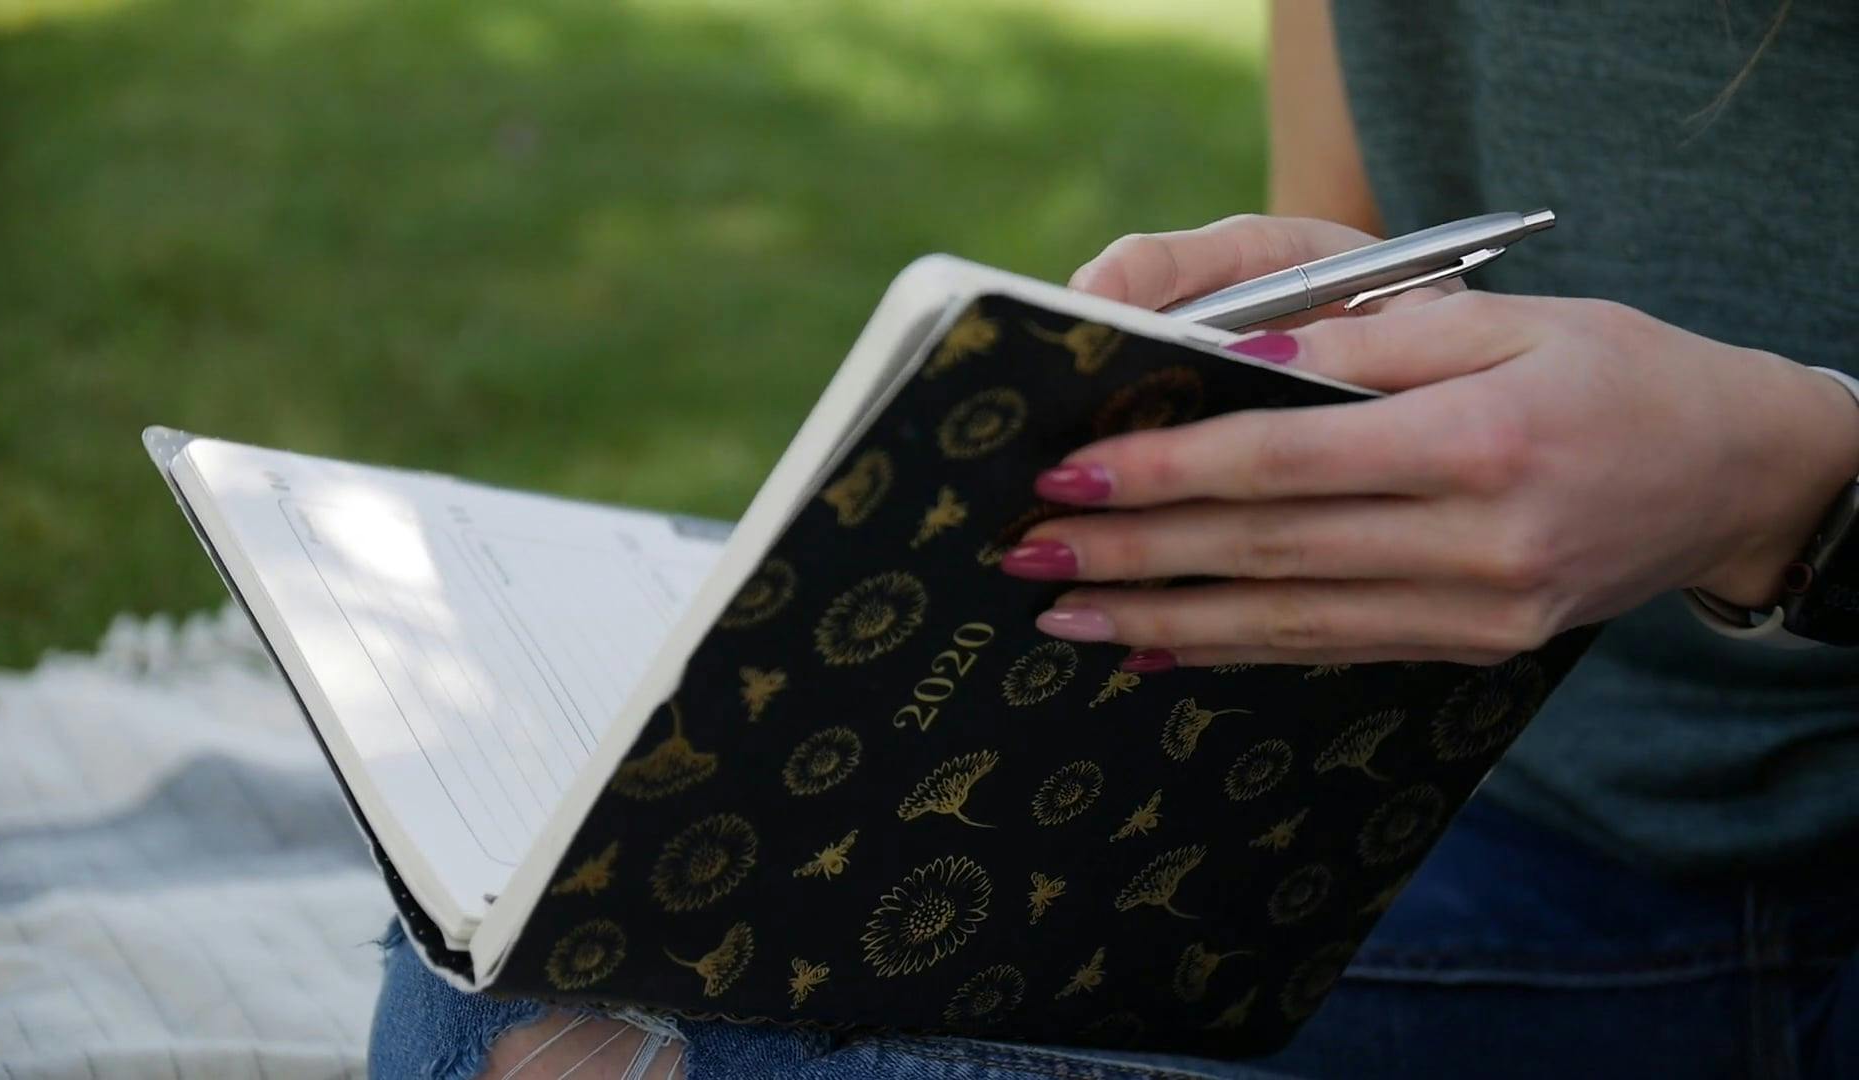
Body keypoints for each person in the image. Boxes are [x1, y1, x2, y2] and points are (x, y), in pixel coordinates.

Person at [370, 2, 1859, 1076]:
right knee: (529, 966)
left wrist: (1784, 484)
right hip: (1458, 801)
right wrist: (1319, 354)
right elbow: (1354, 222)